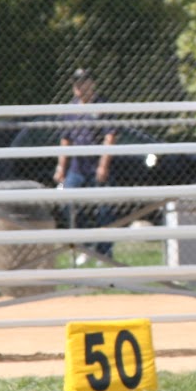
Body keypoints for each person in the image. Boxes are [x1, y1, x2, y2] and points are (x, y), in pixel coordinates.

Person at [51, 67, 119, 258]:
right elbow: (66, 139)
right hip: (77, 168)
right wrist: (61, 167)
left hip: (97, 166)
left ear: (92, 84)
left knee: (104, 208)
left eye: (83, 81)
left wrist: (103, 165)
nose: (79, 86)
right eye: (76, 82)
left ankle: (105, 253)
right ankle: (85, 246)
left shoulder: (102, 105)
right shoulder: (71, 108)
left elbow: (110, 135)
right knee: (68, 204)